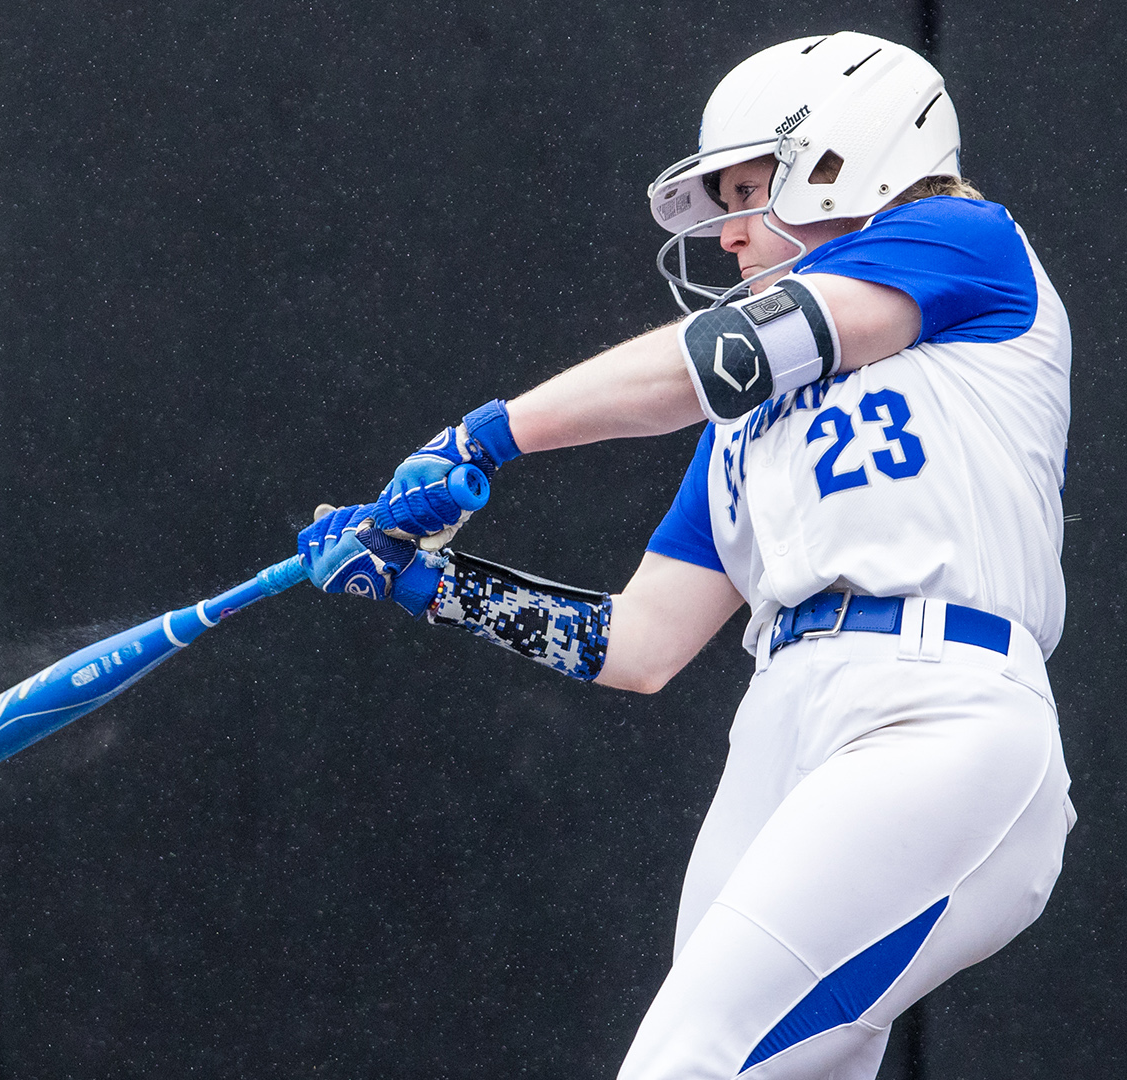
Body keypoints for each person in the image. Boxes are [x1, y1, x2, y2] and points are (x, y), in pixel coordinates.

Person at [297, 30, 1075, 1080]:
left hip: (935, 706)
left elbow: (712, 360)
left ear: (847, 158)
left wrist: (484, 432)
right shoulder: (747, 428)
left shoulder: (959, 240)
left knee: (686, 1064)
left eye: (747, 192)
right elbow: (640, 644)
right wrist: (428, 583)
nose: (725, 238)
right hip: (783, 722)